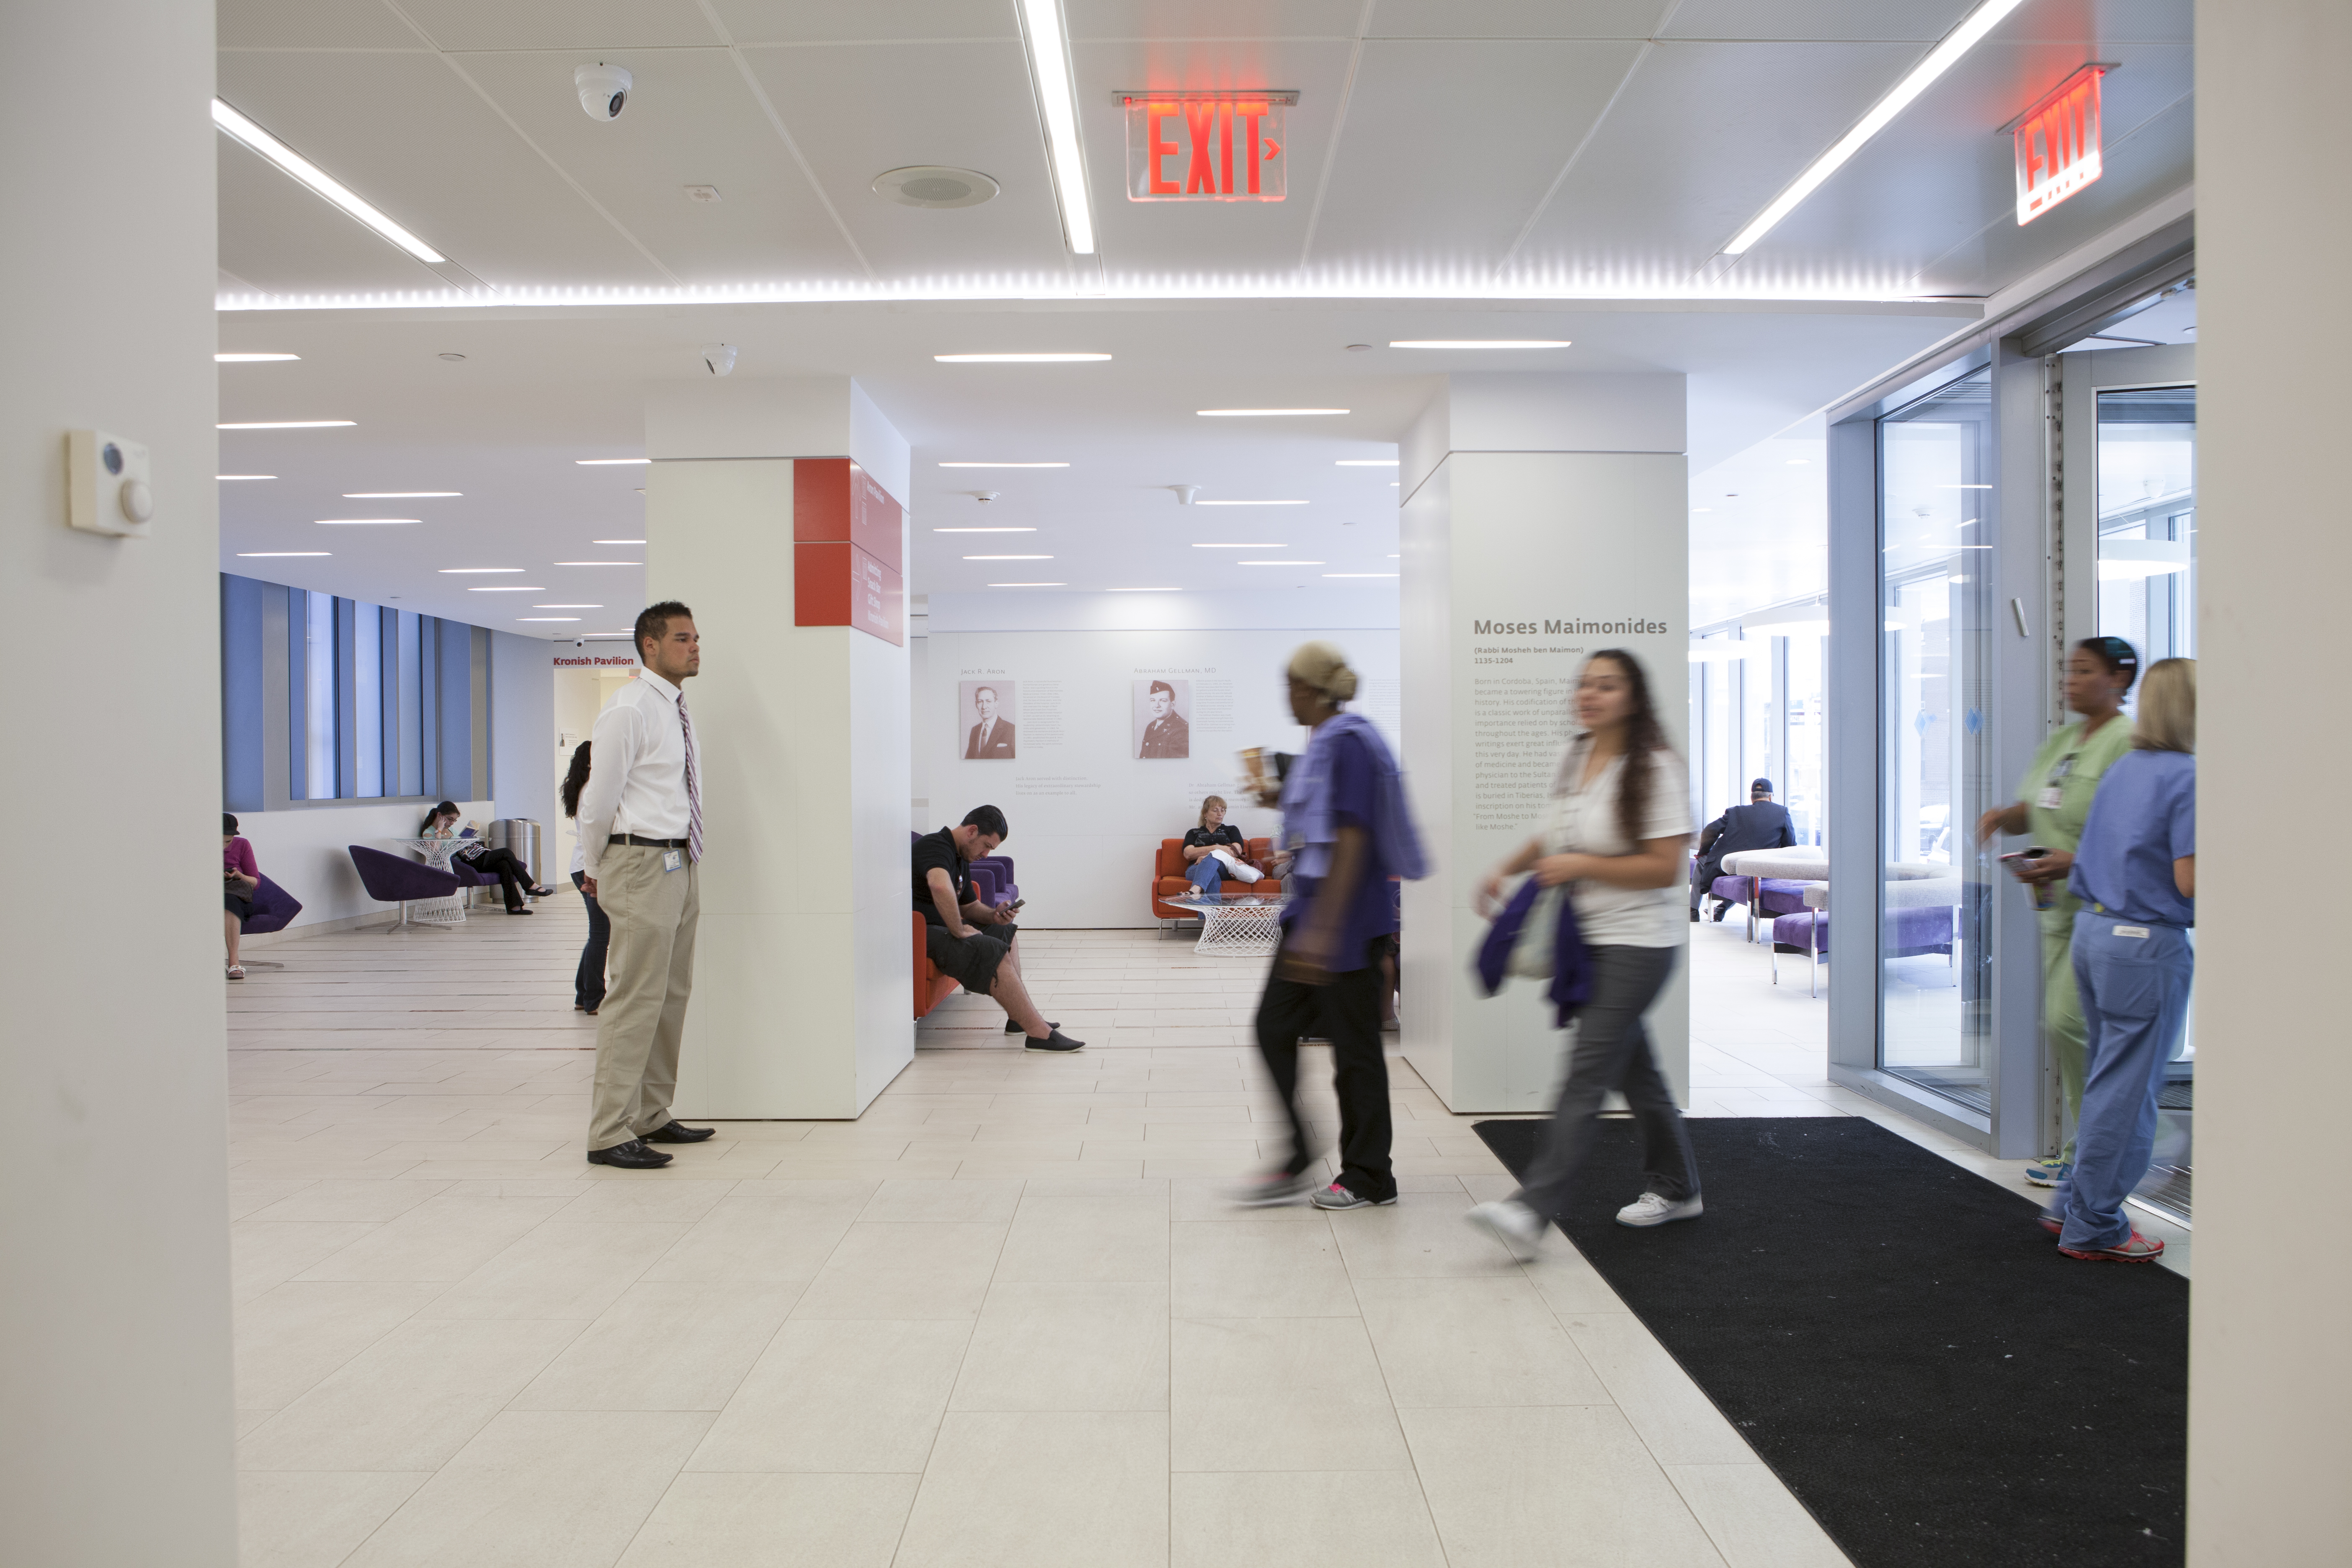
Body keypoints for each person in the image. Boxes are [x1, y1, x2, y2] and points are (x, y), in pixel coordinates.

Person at [1465, 650, 1699, 1260]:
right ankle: (1678, 1187)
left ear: (1634, 696)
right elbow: (1556, 836)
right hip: (1587, 940)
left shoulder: (1656, 767)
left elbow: (1666, 868)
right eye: (1585, 684)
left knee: (1586, 1071)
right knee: (1637, 1074)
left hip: (1640, 942)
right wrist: (1505, 868)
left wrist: (1581, 866)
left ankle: (1531, 1211)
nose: (1591, 694)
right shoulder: (1574, 755)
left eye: (1608, 685)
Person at [1233, 641, 1426, 1211]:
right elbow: (1319, 815)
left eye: (1290, 686)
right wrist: (1275, 796)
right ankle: (1299, 1148)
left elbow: (1352, 837)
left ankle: (1369, 1175)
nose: (1286, 696)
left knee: (1354, 1051)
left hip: (1346, 924)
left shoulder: (1350, 744)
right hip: (1312, 916)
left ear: (1311, 690)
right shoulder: (1323, 744)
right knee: (1273, 1026)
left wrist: (1325, 932)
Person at [2043, 658, 2196, 1264]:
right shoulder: (2188, 777)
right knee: (2128, 1094)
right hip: (2144, 945)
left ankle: (2069, 1207)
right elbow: (2189, 880)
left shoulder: (2125, 767)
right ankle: (2095, 1225)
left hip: (2096, 931)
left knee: (2110, 1082)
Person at [1976, 634, 2141, 1189]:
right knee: (2068, 1030)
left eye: (2086, 671)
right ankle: (2087, 1151)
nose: (2071, 680)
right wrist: (2005, 817)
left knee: (2071, 1024)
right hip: (2056, 911)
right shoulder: (2066, 741)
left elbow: (2132, 835)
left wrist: (2074, 861)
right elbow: (2039, 808)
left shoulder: (2127, 743)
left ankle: (2106, 1151)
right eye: (2069, 670)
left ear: (2119, 679)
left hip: (2105, 911)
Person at [574, 601, 717, 1169]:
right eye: (683, 638)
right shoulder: (629, 708)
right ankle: (609, 1132)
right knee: (634, 996)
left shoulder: (676, 708)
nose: (695, 647)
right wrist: (594, 865)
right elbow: (598, 798)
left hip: (681, 860)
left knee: (671, 993)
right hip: (639, 861)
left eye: (696, 638)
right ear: (650, 646)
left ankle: (652, 1113)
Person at [914, 805, 1083, 1052]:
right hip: (920, 933)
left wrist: (995, 915)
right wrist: (959, 930)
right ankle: (1039, 1035)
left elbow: (970, 907)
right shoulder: (936, 846)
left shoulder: (960, 858)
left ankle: (1018, 1019)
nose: (986, 854)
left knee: (1006, 933)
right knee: (991, 948)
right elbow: (939, 886)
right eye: (986, 846)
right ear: (972, 831)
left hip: (940, 928)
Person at [420, 802, 555, 915]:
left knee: (504, 865)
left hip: (473, 857)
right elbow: (436, 851)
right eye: (450, 819)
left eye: (454, 820)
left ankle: (514, 907)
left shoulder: (451, 831)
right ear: (440, 815)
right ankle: (530, 886)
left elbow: (461, 845)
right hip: (464, 865)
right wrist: (439, 829)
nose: (451, 823)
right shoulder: (429, 833)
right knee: (506, 852)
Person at [1692, 776, 1797, 921]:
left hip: (1727, 865)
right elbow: (1790, 845)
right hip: (1762, 868)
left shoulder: (1736, 812)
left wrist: (1704, 851)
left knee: (1701, 862)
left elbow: (1710, 830)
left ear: (1752, 797)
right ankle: (1722, 907)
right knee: (1749, 875)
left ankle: (1693, 911)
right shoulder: (1782, 812)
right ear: (1771, 797)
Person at [560, 741, 609, 1016]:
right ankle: (594, 999)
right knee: (601, 935)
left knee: (598, 934)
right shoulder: (591, 790)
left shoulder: (581, 787)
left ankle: (583, 994)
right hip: (588, 867)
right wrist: (595, 873)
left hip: (582, 865)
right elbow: (595, 834)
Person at [1180, 794, 1262, 894]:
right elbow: (1188, 854)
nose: (1220, 814)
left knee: (1212, 860)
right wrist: (1216, 848)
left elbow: (1236, 850)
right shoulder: (1193, 833)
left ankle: (1195, 891)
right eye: (1215, 811)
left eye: (1223, 811)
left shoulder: (1232, 830)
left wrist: (1209, 857)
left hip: (1225, 869)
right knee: (1213, 875)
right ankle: (1209, 903)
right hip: (1196, 868)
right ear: (1205, 813)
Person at [223, 813, 259, 980]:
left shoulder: (242, 845)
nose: (223, 846)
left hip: (236, 896)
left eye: (228, 842)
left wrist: (239, 876)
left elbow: (256, 882)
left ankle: (234, 961)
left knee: (229, 902)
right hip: (208, 895)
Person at [1139, 680, 1190, 758]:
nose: (1157, 706)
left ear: (1172, 705)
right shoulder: (1151, 727)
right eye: (1153, 700)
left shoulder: (1181, 730)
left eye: (1163, 701)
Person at [964, 685, 1016, 759]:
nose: (984, 707)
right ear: (976, 705)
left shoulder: (1012, 730)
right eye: (980, 702)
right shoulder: (975, 731)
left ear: (996, 704)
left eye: (988, 702)